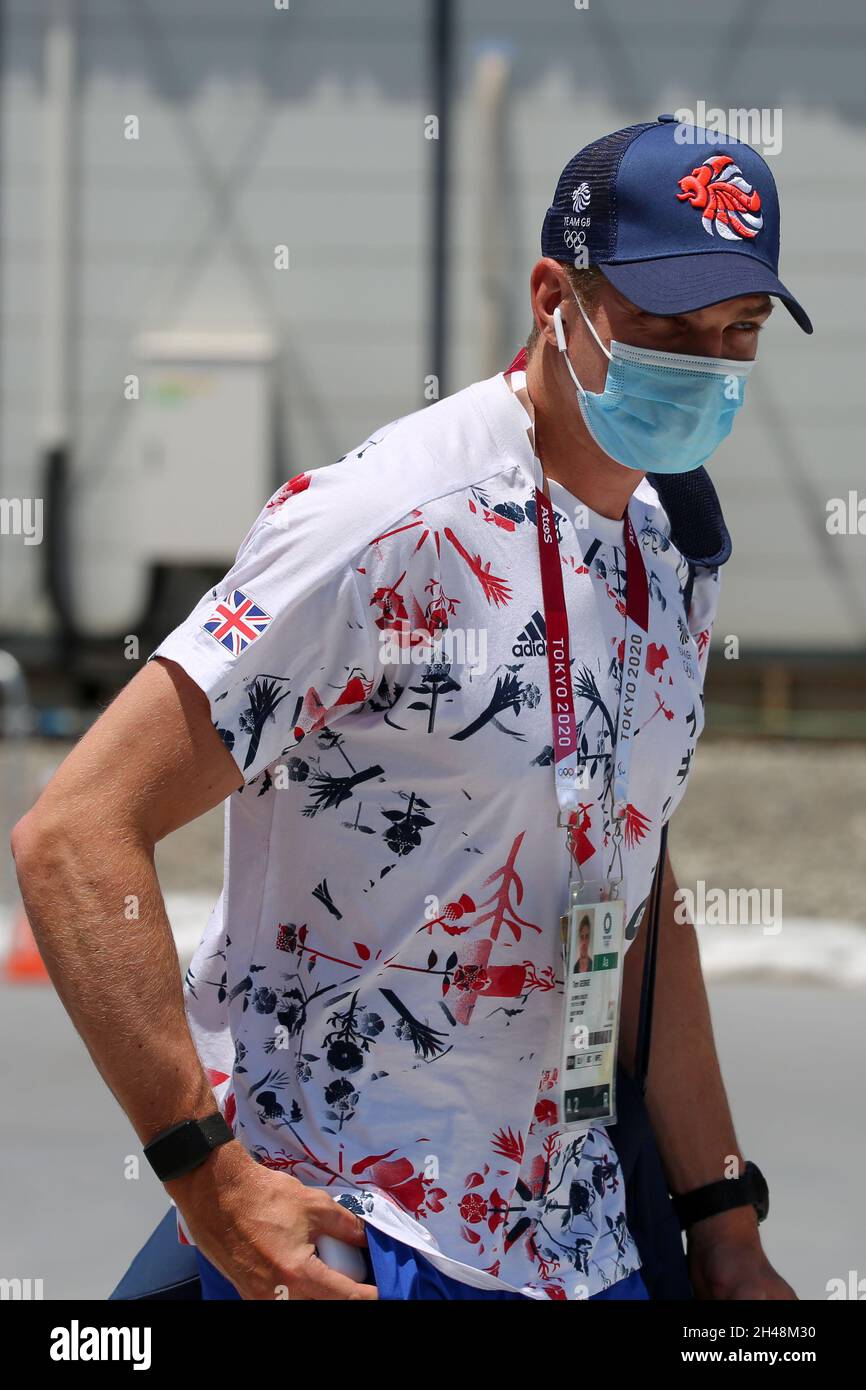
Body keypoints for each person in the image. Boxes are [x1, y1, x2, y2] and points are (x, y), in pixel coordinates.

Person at [12, 115, 811, 1302]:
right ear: (554, 296)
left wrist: (719, 1219)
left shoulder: (669, 550)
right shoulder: (382, 527)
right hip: (362, 1231)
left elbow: (631, 887)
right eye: (661, 325)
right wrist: (206, 1177)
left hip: (581, 1243)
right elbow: (73, 835)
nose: (701, 361)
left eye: (735, 331)